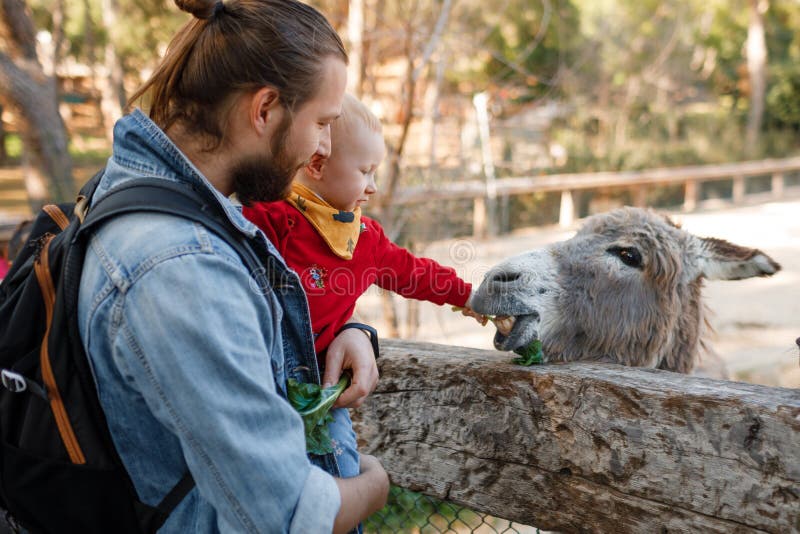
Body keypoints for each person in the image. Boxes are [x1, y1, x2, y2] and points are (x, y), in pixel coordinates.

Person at [77, 1, 388, 532]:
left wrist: (350, 326)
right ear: (265, 109)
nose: (324, 147)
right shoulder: (180, 269)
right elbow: (289, 515)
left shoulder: (149, 197)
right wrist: (375, 484)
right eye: (322, 123)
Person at [244, 93, 481, 481]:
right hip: (263, 381)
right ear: (317, 164)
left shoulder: (366, 238)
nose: (372, 187)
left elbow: (415, 273)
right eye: (365, 171)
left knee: (341, 466)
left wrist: (468, 296)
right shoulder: (273, 217)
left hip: (322, 386)